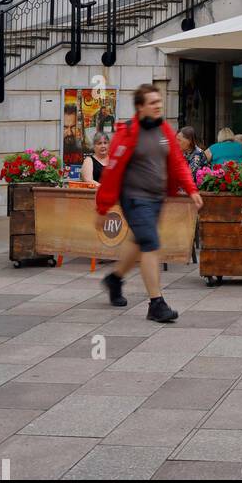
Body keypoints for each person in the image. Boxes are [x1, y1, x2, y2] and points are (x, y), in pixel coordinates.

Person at [97, 84, 203, 322]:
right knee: (150, 245)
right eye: (153, 102)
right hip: (134, 198)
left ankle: (114, 279)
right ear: (140, 106)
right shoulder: (127, 132)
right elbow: (111, 172)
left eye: (159, 101)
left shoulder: (164, 129)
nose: (158, 106)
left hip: (157, 198)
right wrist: (102, 207)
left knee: (138, 242)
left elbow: (177, 162)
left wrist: (191, 189)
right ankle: (156, 304)